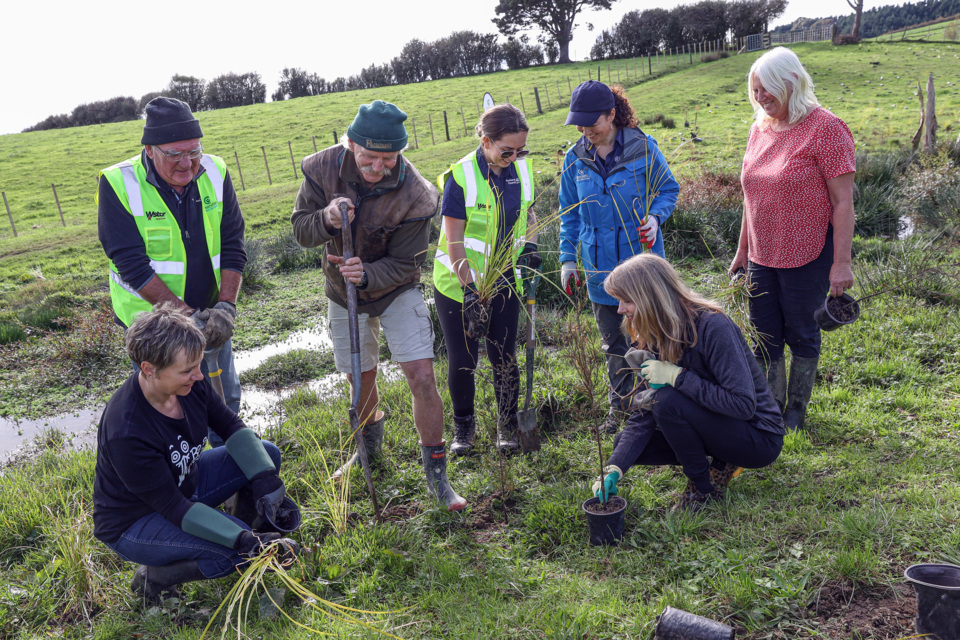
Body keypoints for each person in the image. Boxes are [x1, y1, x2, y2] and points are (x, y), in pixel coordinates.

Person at [291, 100, 466, 511]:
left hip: (395, 289)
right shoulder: (320, 169)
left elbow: (407, 263)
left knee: (421, 375)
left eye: (389, 159)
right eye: (370, 158)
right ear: (350, 143)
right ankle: (367, 452)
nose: (378, 168)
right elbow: (301, 230)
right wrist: (329, 220)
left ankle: (437, 477)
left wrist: (367, 274)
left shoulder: (417, 195)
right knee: (360, 377)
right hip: (341, 292)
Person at [93, 304, 297, 604]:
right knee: (230, 552)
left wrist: (265, 479)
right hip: (136, 521)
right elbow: (173, 507)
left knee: (265, 455)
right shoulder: (126, 430)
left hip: (184, 485)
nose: (198, 376)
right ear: (149, 370)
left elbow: (229, 425)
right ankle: (153, 577)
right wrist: (239, 538)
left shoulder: (190, 385)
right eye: (187, 370)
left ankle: (245, 535)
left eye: (198, 366)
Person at [97, 96, 245, 446]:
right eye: (175, 154)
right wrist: (184, 317)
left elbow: (233, 243)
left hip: (210, 315)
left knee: (225, 400)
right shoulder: (119, 183)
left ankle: (233, 475)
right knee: (171, 409)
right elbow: (131, 264)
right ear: (150, 150)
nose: (187, 164)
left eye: (193, 152)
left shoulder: (215, 171)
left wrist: (226, 307)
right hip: (153, 326)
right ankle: (183, 489)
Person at [590, 254, 785, 512]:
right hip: (716, 422)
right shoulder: (653, 333)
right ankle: (720, 461)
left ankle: (702, 490)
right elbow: (644, 412)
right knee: (626, 447)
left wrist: (677, 377)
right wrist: (613, 468)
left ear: (651, 298)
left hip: (757, 437)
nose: (619, 309)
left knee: (667, 401)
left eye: (626, 301)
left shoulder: (713, 327)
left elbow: (743, 405)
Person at [728, 47, 856, 430]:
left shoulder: (826, 128)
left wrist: (842, 262)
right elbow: (753, 197)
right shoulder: (759, 130)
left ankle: (796, 411)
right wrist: (742, 251)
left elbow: (843, 202)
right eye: (755, 90)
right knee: (764, 335)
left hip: (808, 252)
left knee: (802, 333)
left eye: (767, 88)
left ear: (792, 81)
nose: (761, 96)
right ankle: (772, 407)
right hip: (762, 256)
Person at [558, 81, 680, 436]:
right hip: (598, 271)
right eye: (579, 125)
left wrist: (656, 218)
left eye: (591, 124)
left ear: (612, 115)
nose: (585, 132)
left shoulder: (644, 148)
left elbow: (668, 188)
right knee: (614, 344)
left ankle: (659, 409)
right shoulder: (574, 159)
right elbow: (569, 214)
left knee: (652, 340)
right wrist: (568, 259)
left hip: (642, 270)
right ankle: (621, 409)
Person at [433, 104, 539, 455]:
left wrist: (531, 248)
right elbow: (455, 242)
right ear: (485, 140)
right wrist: (469, 291)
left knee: (503, 355)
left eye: (520, 150)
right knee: (463, 359)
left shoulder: (520, 169)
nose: (513, 157)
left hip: (505, 277)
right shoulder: (461, 176)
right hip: (458, 284)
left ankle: (507, 426)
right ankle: (464, 429)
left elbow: (529, 211)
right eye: (506, 150)